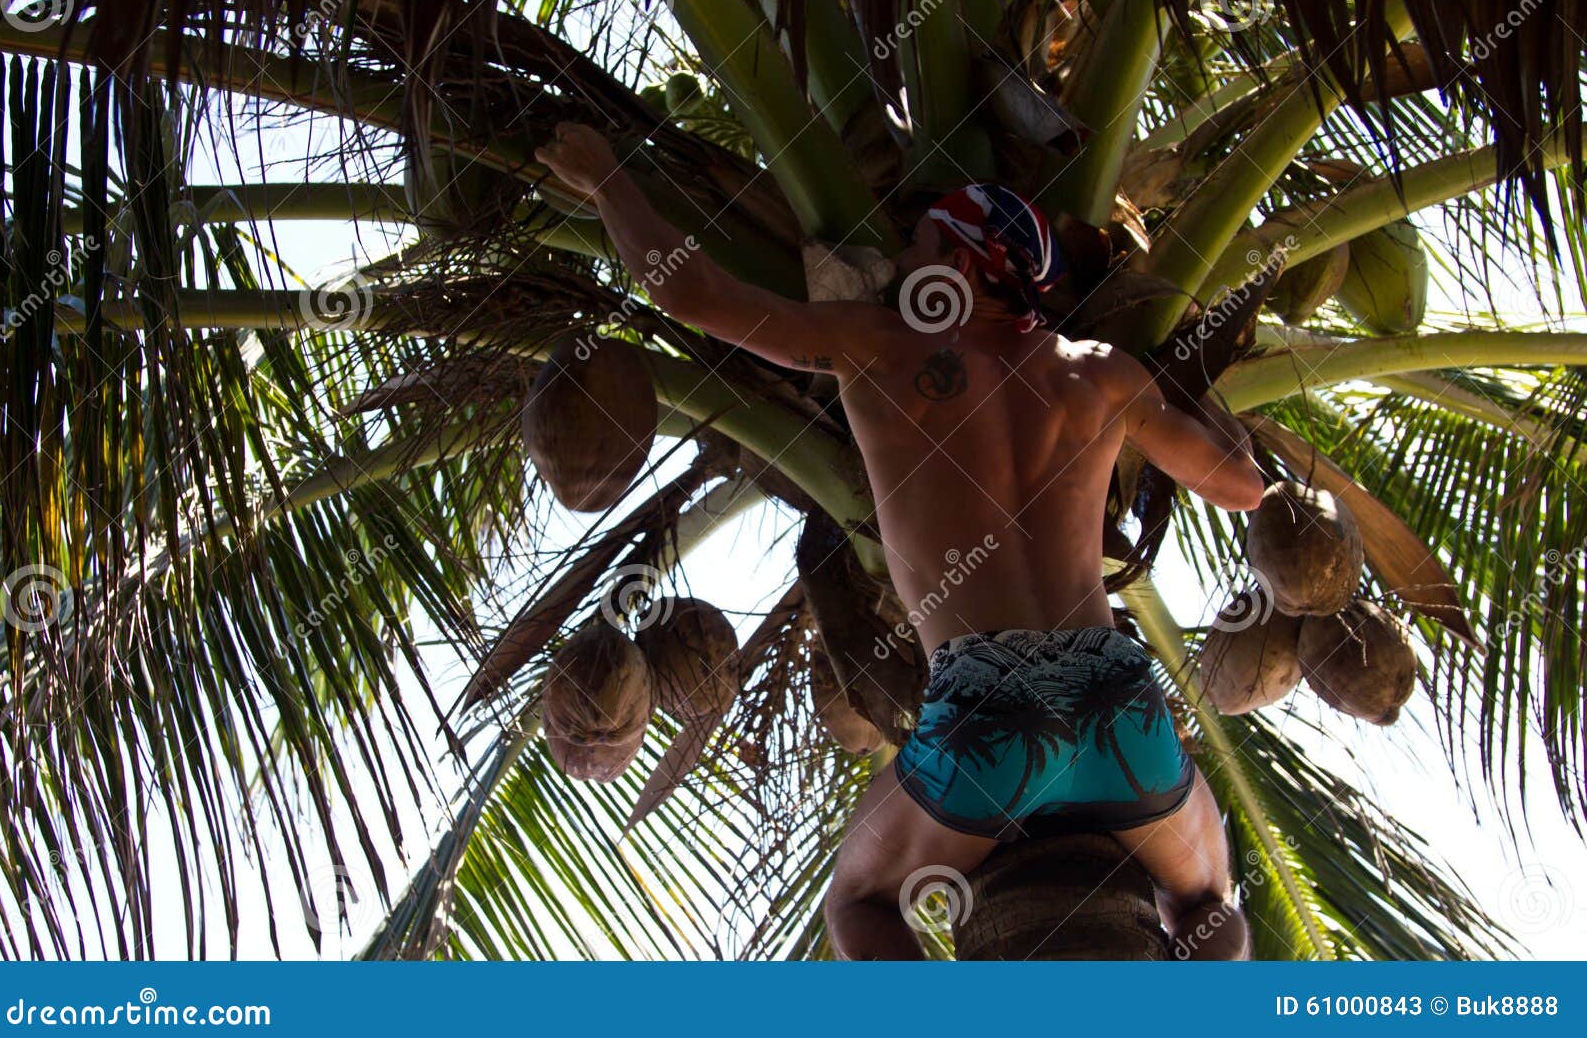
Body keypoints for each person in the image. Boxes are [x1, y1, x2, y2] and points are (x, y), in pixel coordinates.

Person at [536, 123, 1265, 961]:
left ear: (958, 265)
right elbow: (1239, 487)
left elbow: (695, 295)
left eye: (916, 248)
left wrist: (607, 177)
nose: (900, 269)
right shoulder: (1100, 370)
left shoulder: (878, 345)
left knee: (855, 904)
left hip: (988, 712)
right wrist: (1217, 419)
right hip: (1112, 694)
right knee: (1214, 905)